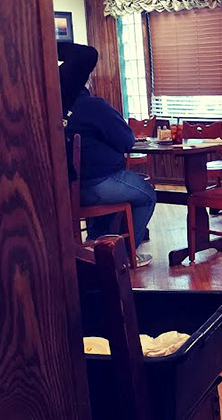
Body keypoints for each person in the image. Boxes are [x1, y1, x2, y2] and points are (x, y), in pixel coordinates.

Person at [58, 41, 156, 266]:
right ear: (84, 80)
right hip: (99, 184)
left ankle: (95, 245)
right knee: (147, 195)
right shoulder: (94, 106)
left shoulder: (56, 109)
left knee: (119, 194)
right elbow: (127, 140)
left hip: (68, 189)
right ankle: (126, 255)